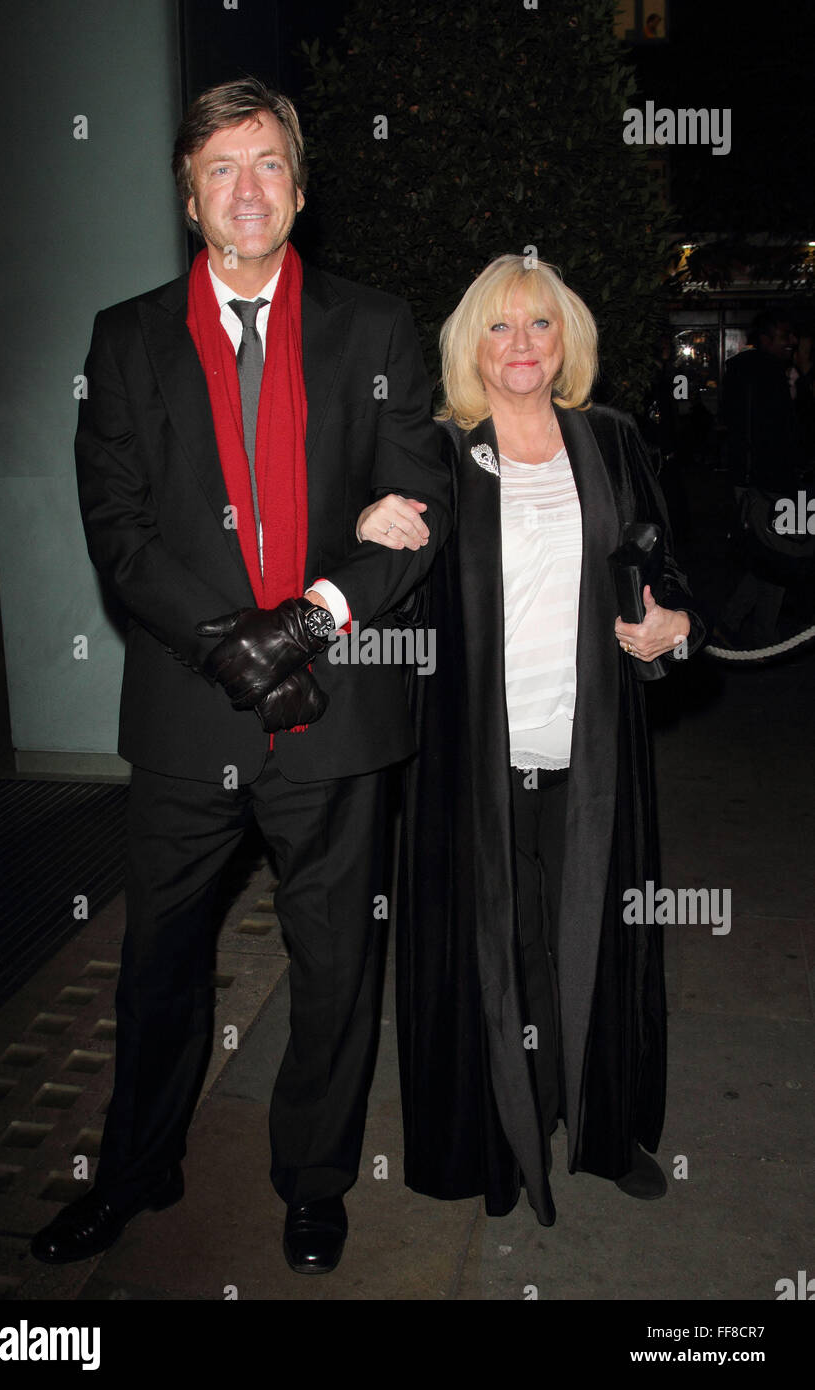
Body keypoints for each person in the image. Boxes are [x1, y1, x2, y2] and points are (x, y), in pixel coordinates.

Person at [30, 77, 450, 1274]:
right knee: (158, 963)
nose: (245, 188)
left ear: (300, 188)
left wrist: (307, 620)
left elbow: (419, 506)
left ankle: (313, 1184)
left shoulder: (373, 327)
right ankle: (133, 1170)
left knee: (331, 968)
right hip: (185, 710)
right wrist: (232, 643)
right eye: (220, 169)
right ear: (189, 199)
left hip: (336, 717)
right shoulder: (126, 337)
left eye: (266, 163)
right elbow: (120, 534)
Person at [383, 254, 704, 1225]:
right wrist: (367, 518)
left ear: (565, 342)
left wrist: (674, 625)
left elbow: (665, 565)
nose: (519, 345)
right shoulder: (439, 454)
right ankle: (492, 1140)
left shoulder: (607, 440)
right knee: (495, 951)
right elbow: (373, 564)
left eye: (539, 326)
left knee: (593, 942)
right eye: (497, 326)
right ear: (468, 345)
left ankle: (603, 1131)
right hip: (471, 764)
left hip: (593, 754)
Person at [718, 311, 803, 646]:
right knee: (779, 553)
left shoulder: (752, 371)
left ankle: (746, 626)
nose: (791, 343)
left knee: (772, 554)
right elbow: (775, 432)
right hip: (768, 481)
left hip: (761, 479)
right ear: (766, 339)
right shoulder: (765, 374)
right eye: (784, 336)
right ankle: (750, 627)